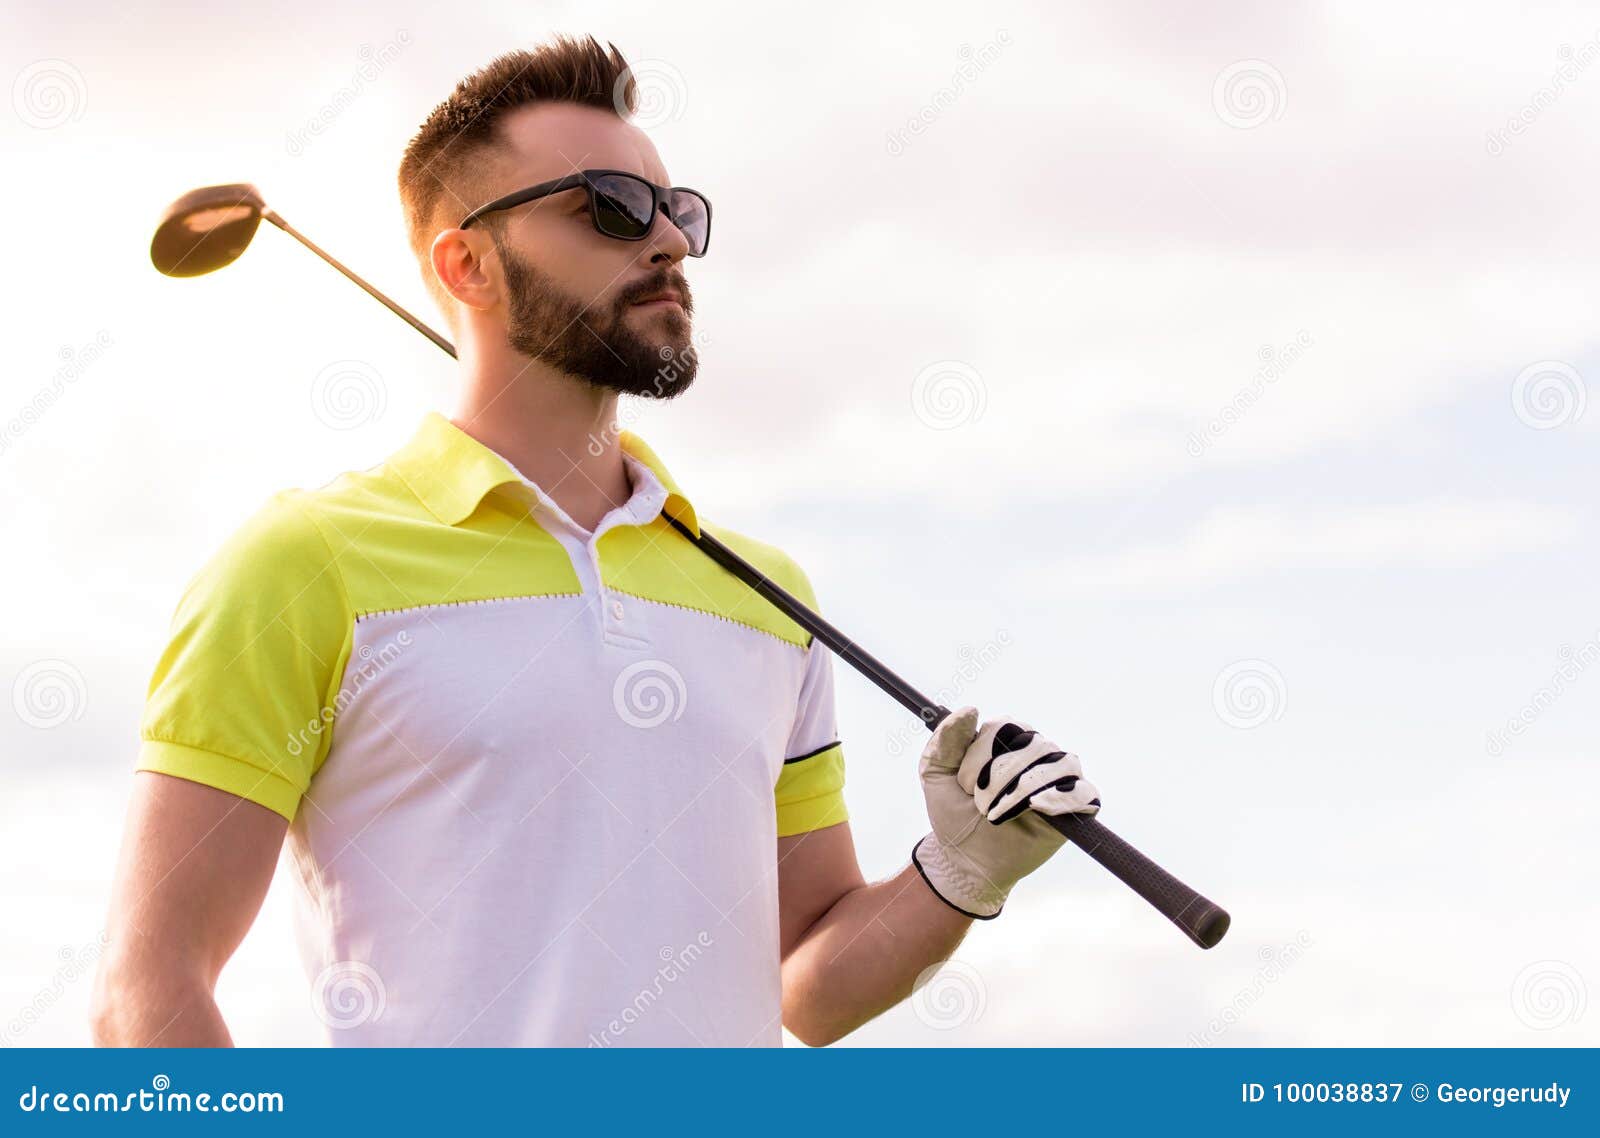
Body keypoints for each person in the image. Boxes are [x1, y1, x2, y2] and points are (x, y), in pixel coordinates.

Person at [91, 35, 1101, 1048]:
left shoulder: (765, 593)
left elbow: (807, 987)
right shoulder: (302, 562)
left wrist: (960, 872)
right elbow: (148, 992)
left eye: (678, 211)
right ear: (467, 263)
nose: (665, 240)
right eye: (610, 206)